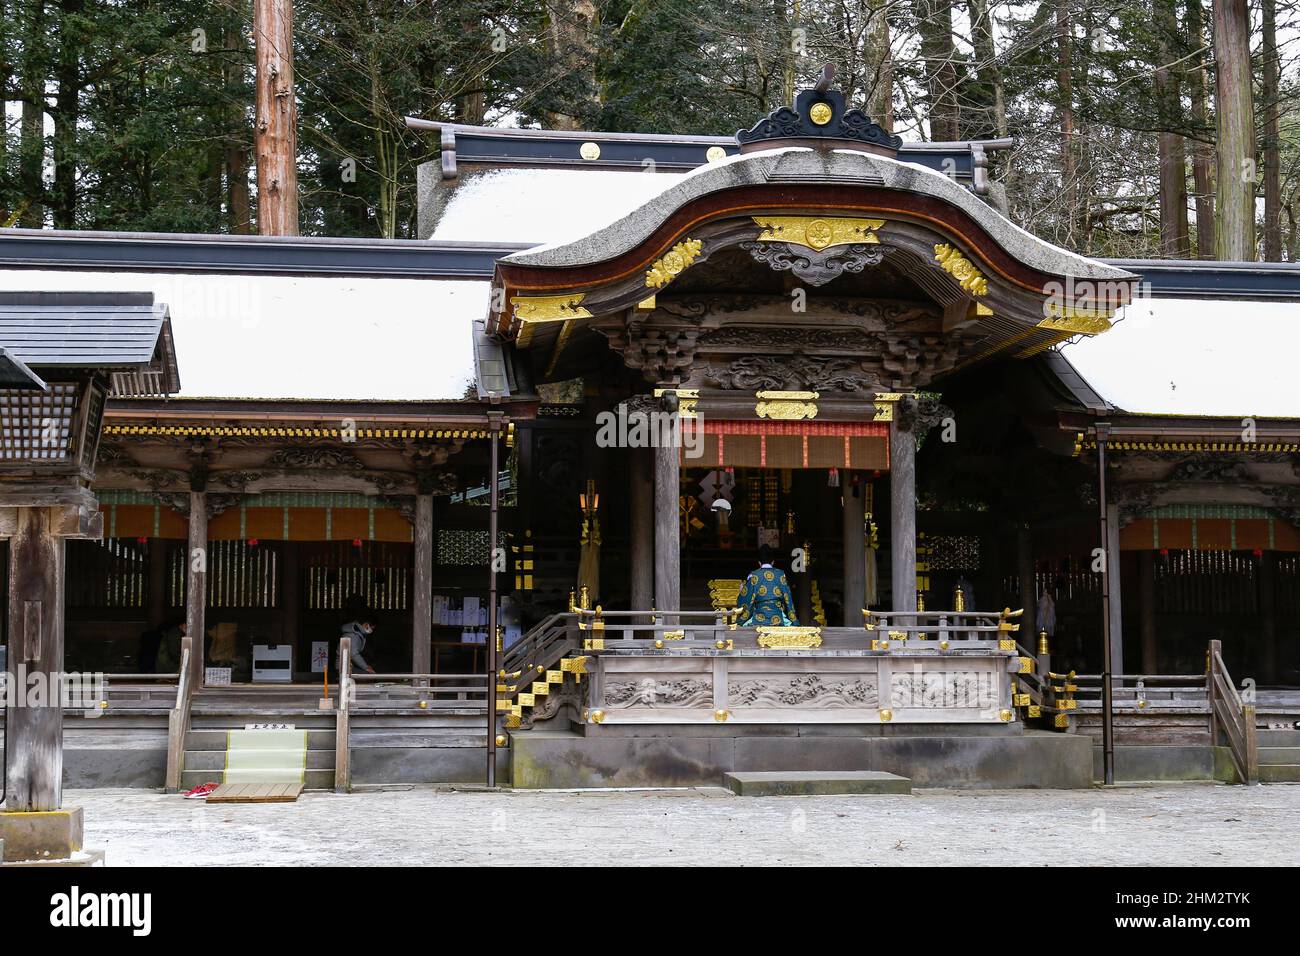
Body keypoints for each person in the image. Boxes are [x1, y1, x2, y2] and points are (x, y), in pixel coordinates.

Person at [735, 545, 798, 626]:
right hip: (778, 616)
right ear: (773, 562)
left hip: (758, 617)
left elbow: (745, 600)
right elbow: (787, 597)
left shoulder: (753, 575)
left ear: (759, 563)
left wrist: (742, 592)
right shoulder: (781, 574)